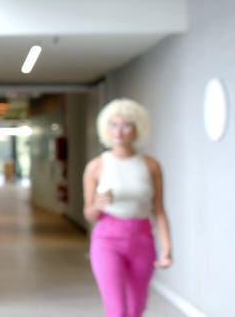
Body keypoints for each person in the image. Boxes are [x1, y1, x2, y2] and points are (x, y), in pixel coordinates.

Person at [83, 98, 172, 317]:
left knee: (135, 309)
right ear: (106, 129)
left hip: (142, 240)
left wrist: (167, 248)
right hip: (107, 240)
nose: (119, 131)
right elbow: (89, 214)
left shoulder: (151, 165)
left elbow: (158, 210)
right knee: (117, 311)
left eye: (126, 125)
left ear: (137, 129)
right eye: (113, 124)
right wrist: (97, 204)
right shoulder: (96, 166)